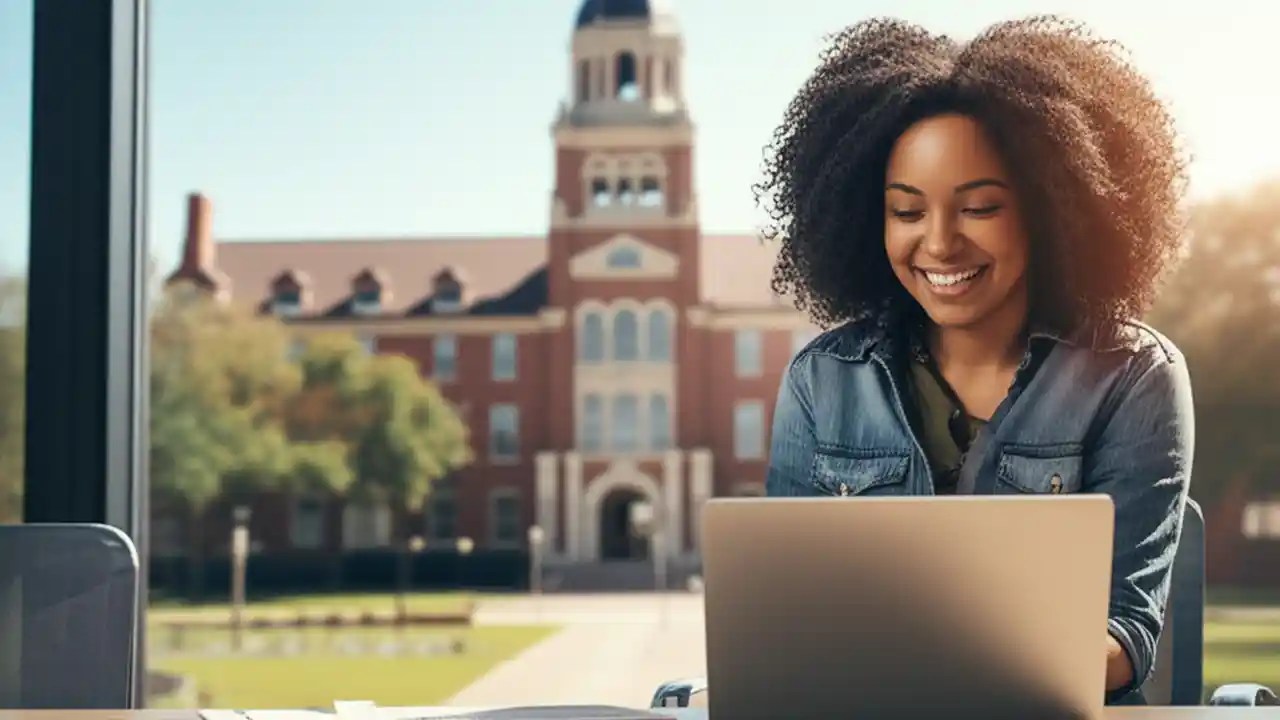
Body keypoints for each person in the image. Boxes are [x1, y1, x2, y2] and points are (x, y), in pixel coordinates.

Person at [760, 16, 1191, 706]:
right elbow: (777, 622)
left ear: (1050, 206)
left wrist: (918, 654)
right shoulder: (822, 380)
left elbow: (1123, 641)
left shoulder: (1132, 375)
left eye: (979, 207)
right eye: (906, 212)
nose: (939, 244)